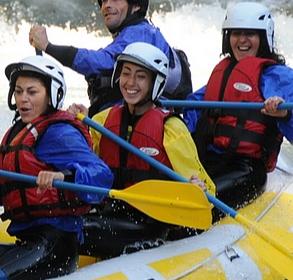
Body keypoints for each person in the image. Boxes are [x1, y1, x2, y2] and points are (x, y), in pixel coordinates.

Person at [0, 54, 115, 280]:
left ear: (51, 95)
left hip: (55, 247)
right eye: (18, 92)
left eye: (32, 92)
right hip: (28, 242)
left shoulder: (59, 132)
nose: (22, 99)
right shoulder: (17, 133)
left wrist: (64, 176)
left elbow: (101, 177)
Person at [72, 42, 215, 259]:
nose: (130, 82)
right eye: (126, 73)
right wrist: (74, 124)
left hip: (149, 222)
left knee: (72, 231)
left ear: (155, 83)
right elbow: (83, 158)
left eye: (140, 76)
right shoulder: (103, 120)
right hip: (110, 211)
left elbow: (206, 191)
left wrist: (198, 188)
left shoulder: (171, 129)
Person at [184, 2, 293, 208]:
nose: (242, 40)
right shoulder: (225, 72)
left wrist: (284, 115)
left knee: (192, 204)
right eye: (236, 33)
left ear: (264, 38)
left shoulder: (281, 77)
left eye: (250, 34)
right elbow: (190, 109)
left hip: (245, 169)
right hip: (207, 160)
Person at [28, 0, 192, 115]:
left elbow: (101, 63)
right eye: (104, 0)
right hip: (118, 120)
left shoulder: (142, 33)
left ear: (136, 7)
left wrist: (48, 46)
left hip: (144, 123)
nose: (107, 5)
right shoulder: (130, 35)